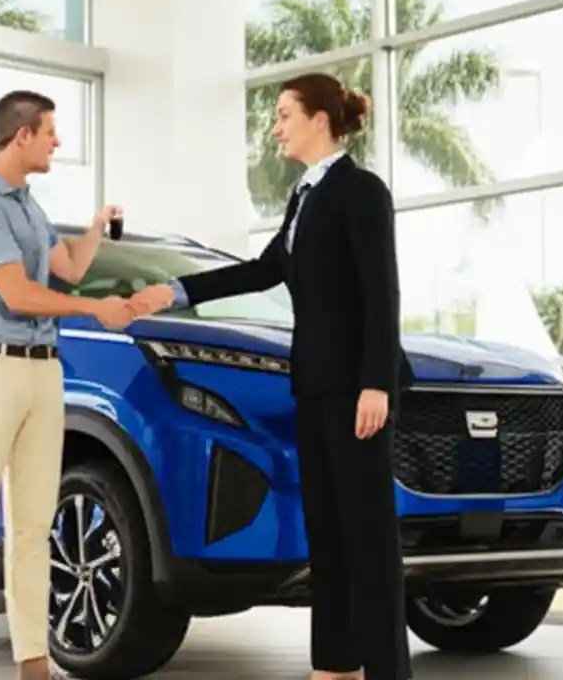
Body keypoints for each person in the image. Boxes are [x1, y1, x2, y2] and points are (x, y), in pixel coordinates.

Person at [131, 73, 413, 680]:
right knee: (327, 537)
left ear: (319, 119)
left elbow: (381, 290)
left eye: (285, 114)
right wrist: (175, 292)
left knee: (369, 541)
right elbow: (262, 271)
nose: (276, 127)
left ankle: (389, 671)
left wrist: (377, 384)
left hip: (357, 391)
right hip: (313, 386)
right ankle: (334, 666)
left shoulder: (361, 191)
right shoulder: (305, 197)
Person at [0, 89, 134, 680]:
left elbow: (67, 266)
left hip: (41, 368)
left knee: (33, 527)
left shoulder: (27, 203)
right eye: (50, 132)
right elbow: (19, 294)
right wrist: (96, 310)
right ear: (21, 134)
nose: (57, 142)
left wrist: (96, 228)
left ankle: (34, 662)